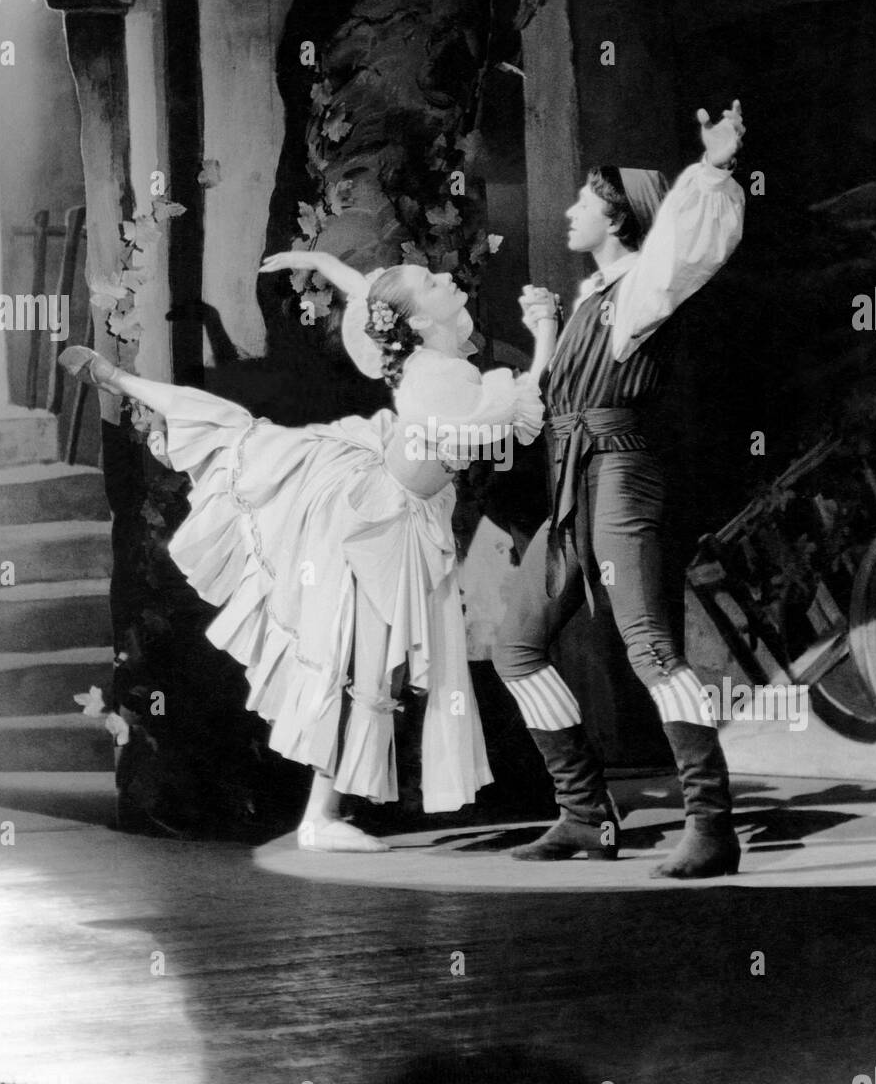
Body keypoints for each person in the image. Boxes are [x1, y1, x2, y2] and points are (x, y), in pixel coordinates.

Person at [60, 255, 550, 851]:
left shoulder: (428, 354)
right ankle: (321, 817)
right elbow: (513, 407)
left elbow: (372, 294)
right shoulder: (434, 377)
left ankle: (325, 813)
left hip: (392, 500)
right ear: (417, 323)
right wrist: (546, 333)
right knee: (357, 660)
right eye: (431, 281)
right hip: (372, 522)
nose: (447, 278)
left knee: (375, 666)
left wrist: (319, 262)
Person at [492, 101, 747, 876]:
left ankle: (711, 825)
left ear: (619, 219)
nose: (569, 211)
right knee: (516, 645)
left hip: (619, 473)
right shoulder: (592, 300)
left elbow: (682, 249)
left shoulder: (640, 289)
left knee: (650, 649)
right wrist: (543, 338)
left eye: (583, 203)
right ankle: (583, 815)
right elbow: (543, 412)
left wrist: (712, 168)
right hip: (574, 478)